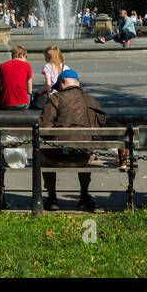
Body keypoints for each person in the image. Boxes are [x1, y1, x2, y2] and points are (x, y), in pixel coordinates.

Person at [38, 69, 106, 212]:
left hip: (55, 156)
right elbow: (97, 135)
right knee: (89, 151)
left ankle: (52, 198)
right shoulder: (91, 101)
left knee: (42, 154)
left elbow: (44, 129)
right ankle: (83, 196)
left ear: (63, 82)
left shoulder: (55, 99)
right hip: (82, 157)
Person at [0, 45, 34, 110]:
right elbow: (30, 90)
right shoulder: (27, 66)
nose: (26, 59)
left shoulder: (2, 66)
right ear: (21, 55)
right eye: (26, 56)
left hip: (4, 104)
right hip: (21, 105)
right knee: (30, 95)